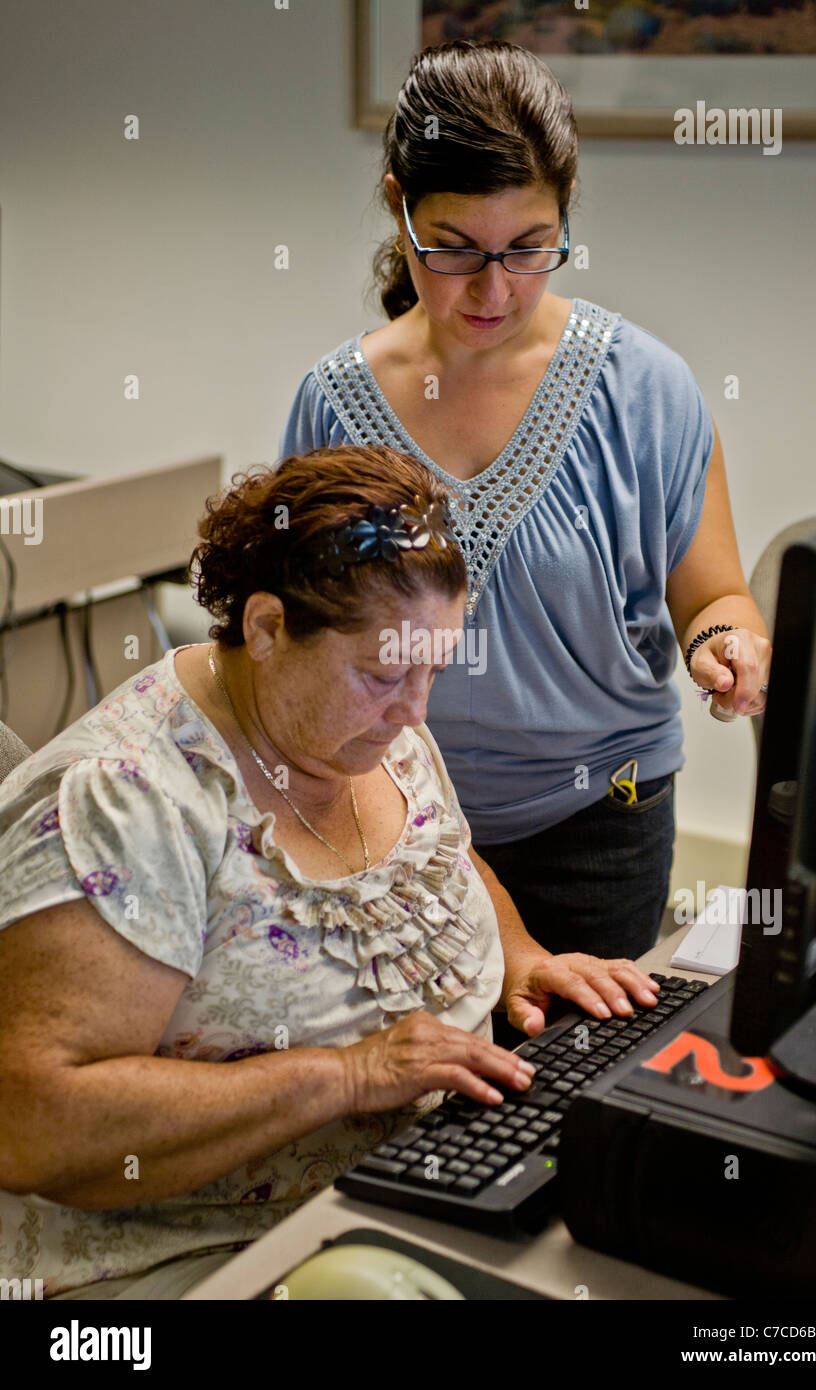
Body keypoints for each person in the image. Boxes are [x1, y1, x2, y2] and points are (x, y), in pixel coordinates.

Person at [0, 445, 660, 1299]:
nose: (417, 710)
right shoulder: (127, 801)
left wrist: (520, 955)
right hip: (194, 1254)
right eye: (387, 673)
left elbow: (436, 852)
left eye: (434, 668)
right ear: (268, 628)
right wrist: (351, 1074)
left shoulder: (355, 727)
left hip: (417, 1181)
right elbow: (34, 1122)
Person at [278, 40, 772, 1016]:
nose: (493, 290)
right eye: (453, 246)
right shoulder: (334, 405)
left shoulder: (644, 390)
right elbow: (301, 646)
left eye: (528, 246)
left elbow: (710, 593)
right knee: (408, 1117)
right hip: (393, 828)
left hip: (599, 825)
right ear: (398, 208)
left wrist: (725, 645)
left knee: (567, 1123)